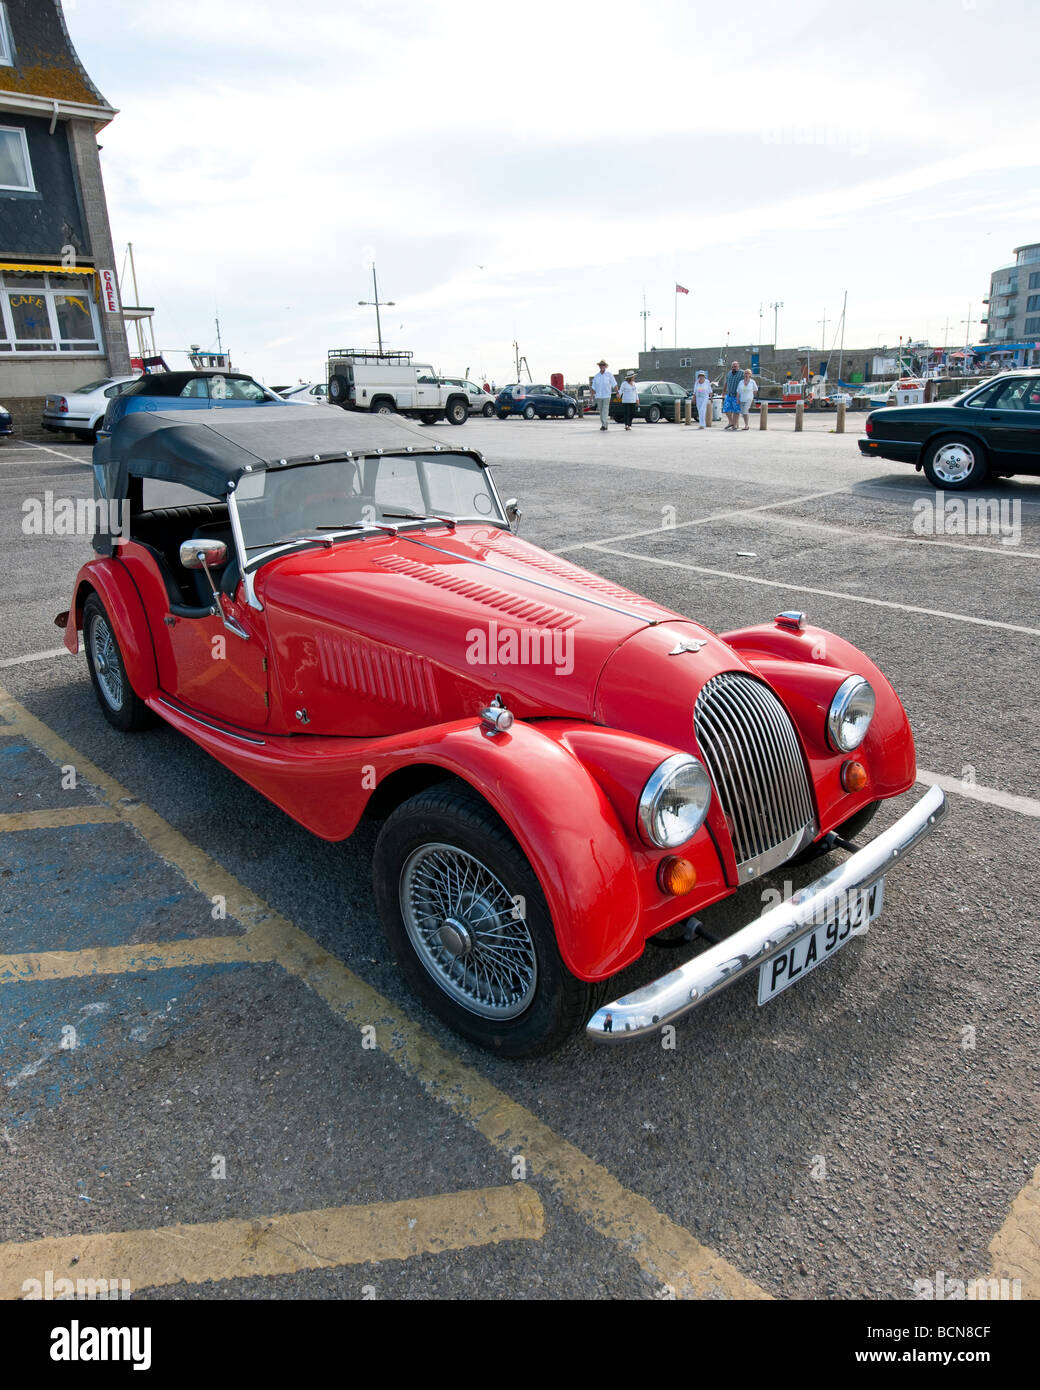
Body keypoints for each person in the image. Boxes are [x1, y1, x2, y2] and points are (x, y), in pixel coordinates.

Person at [591, 359, 616, 430]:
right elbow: (593, 386)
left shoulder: (609, 375)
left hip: (606, 395)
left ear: (605, 366)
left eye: (603, 365)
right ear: (599, 366)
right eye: (601, 365)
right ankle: (603, 423)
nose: (602, 366)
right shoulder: (596, 376)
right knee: (601, 411)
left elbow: (614, 384)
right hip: (598, 395)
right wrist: (591, 395)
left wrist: (617, 392)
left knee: (605, 410)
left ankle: (604, 425)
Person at [722, 360, 742, 430]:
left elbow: (745, 382)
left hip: (737, 395)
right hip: (729, 394)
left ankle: (735, 425)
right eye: (733, 366)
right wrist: (723, 391)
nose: (734, 368)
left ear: (738, 366)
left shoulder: (742, 373)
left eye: (735, 366)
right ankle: (731, 422)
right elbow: (726, 383)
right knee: (726, 409)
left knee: (736, 411)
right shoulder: (729, 373)